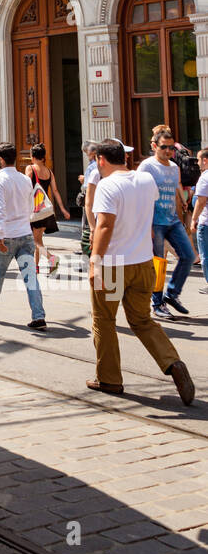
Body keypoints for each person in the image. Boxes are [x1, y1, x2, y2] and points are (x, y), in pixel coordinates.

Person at [88, 139, 194, 403]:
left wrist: (95, 261)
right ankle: (173, 363)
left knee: (104, 321)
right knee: (142, 320)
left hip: (114, 265)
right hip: (143, 261)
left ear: (101, 159)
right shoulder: (146, 181)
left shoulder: (107, 185)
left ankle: (109, 379)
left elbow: (104, 227)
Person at [0, 142, 47, 330]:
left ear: (1, 159)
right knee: (30, 277)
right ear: (16, 158)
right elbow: (31, 207)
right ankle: (39, 316)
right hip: (25, 233)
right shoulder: (24, 179)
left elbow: (0, 209)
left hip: (7, 235)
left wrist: (0, 236)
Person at [139, 126, 194, 319]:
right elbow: (139, 195)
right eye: (164, 147)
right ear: (154, 146)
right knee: (159, 264)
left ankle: (172, 294)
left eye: (171, 148)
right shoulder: (146, 167)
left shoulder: (174, 168)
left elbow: (176, 186)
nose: (169, 152)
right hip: (155, 222)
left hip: (172, 220)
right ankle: (157, 303)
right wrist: (146, 225)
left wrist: (183, 201)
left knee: (188, 256)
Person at [25, 143, 70, 275]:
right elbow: (55, 191)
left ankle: (51, 258)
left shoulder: (30, 168)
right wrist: (62, 209)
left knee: (35, 240)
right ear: (43, 157)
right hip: (46, 211)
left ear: (32, 156)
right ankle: (36, 266)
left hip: (35, 210)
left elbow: (26, 186)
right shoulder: (49, 172)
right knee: (38, 239)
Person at [190, 148, 208, 285]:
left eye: (198, 160)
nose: (197, 163)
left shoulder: (205, 177)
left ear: (205, 160)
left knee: (206, 256)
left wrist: (194, 219)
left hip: (206, 223)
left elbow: (201, 201)